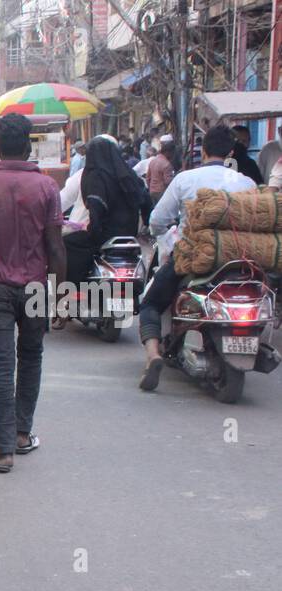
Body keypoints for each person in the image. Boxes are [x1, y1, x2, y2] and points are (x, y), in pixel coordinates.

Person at [0, 113, 67, 473]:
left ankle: (4, 452)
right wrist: (62, 295)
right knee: (32, 357)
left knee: (2, 368)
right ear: (27, 146)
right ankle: (22, 435)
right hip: (35, 287)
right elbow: (56, 247)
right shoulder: (47, 188)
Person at [136, 124, 257, 391]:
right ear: (231, 152)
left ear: (203, 151)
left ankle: (154, 353)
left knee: (151, 303)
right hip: (239, 262)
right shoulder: (246, 182)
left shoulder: (185, 179)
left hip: (192, 257)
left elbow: (157, 221)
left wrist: (165, 237)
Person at [63, 135, 151, 290]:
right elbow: (145, 201)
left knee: (68, 244)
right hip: (129, 236)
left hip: (105, 235)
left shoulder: (96, 176)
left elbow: (97, 209)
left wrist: (90, 231)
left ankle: (71, 291)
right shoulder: (128, 174)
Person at [145, 140, 176, 211]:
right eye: (172, 153)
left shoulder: (153, 161)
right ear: (168, 152)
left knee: (154, 211)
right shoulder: (166, 164)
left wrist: (151, 187)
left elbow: (148, 178)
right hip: (162, 192)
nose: (173, 155)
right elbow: (168, 182)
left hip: (152, 191)